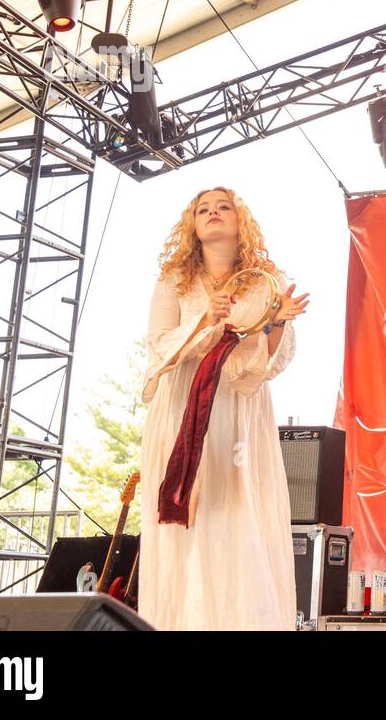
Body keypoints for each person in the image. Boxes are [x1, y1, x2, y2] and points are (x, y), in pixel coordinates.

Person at [138, 187, 310, 629]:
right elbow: (158, 346)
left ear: (240, 220)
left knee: (236, 518)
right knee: (191, 522)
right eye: (203, 209)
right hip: (182, 409)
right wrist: (207, 321)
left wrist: (276, 323)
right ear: (193, 226)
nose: (213, 212)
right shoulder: (173, 280)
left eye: (223, 206)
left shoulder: (265, 279)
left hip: (237, 414)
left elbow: (263, 365)